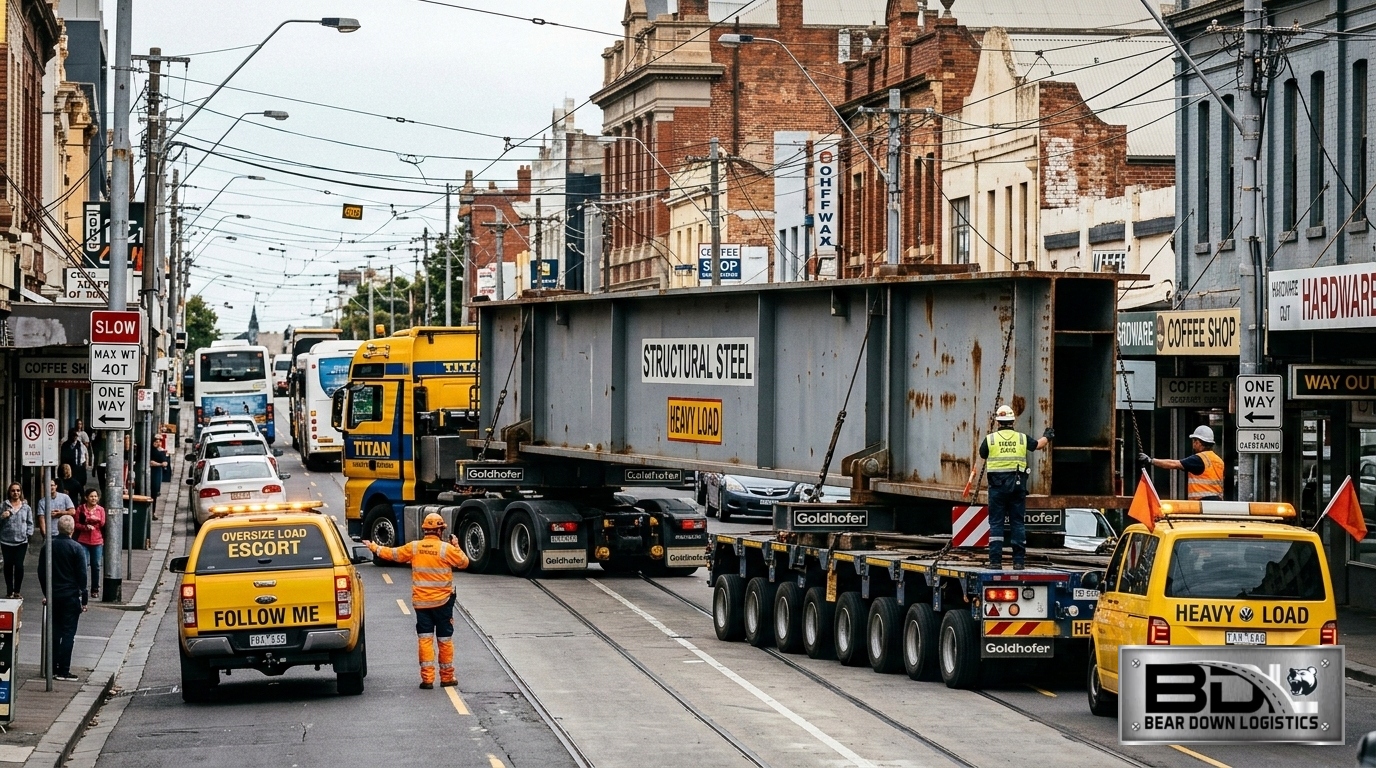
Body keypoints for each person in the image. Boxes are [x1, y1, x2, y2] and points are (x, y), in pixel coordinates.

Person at [365, 513, 469, 689]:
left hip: (421, 604)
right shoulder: (446, 549)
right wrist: (457, 545)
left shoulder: (414, 547)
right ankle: (447, 678)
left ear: (425, 530)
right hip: (443, 603)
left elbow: (393, 554)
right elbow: (464, 563)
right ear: (439, 530)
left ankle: (427, 679)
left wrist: (374, 547)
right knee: (444, 640)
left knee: (425, 639)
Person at [977, 405, 1053, 570]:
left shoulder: (990, 439)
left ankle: (995, 562)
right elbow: (1038, 445)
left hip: (997, 489)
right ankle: (1019, 562)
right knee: (1017, 523)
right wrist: (1047, 436)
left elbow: (983, 454)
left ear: (998, 422)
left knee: (996, 524)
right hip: (1017, 487)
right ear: (1013, 421)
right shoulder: (1021, 438)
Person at [38, 514, 88, 681]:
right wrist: (84, 598)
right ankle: (63, 670)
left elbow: (41, 572)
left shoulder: (48, 546)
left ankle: (51, 667)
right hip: (70, 596)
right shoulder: (76, 548)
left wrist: (47, 592)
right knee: (68, 633)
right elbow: (82, 575)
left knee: (54, 632)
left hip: (53, 596)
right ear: (72, 530)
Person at [1138, 425, 1225, 501]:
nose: (1193, 445)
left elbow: (1174, 464)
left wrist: (1151, 461)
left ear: (1198, 442)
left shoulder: (1199, 459)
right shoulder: (1219, 461)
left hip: (1201, 502)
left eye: (1195, 441)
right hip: (1217, 503)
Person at [0, 483, 34, 598]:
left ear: (21, 492)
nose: (16, 493)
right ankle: (9, 591)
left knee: (19, 565)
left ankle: (17, 591)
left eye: (18, 490)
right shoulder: (4, 505)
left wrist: (29, 534)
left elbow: (30, 522)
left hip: (21, 541)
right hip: (6, 540)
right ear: (9, 492)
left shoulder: (26, 507)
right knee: (8, 565)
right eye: (13, 491)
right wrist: (2, 517)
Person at [73, 489, 105, 600]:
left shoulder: (101, 510)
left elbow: (103, 523)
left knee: (96, 565)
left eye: (96, 496)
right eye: (91, 496)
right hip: (83, 541)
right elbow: (76, 524)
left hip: (97, 540)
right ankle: (82, 588)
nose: (94, 498)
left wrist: (96, 520)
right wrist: (85, 527)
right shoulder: (81, 509)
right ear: (86, 497)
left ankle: (95, 588)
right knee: (84, 565)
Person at [149, 440, 169, 520]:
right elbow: (151, 462)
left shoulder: (161, 451)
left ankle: (153, 511)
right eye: (155, 442)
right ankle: (152, 512)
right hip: (153, 473)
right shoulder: (151, 451)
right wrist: (160, 464)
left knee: (155, 493)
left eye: (159, 442)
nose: (157, 443)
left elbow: (165, 462)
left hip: (158, 472)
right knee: (152, 491)